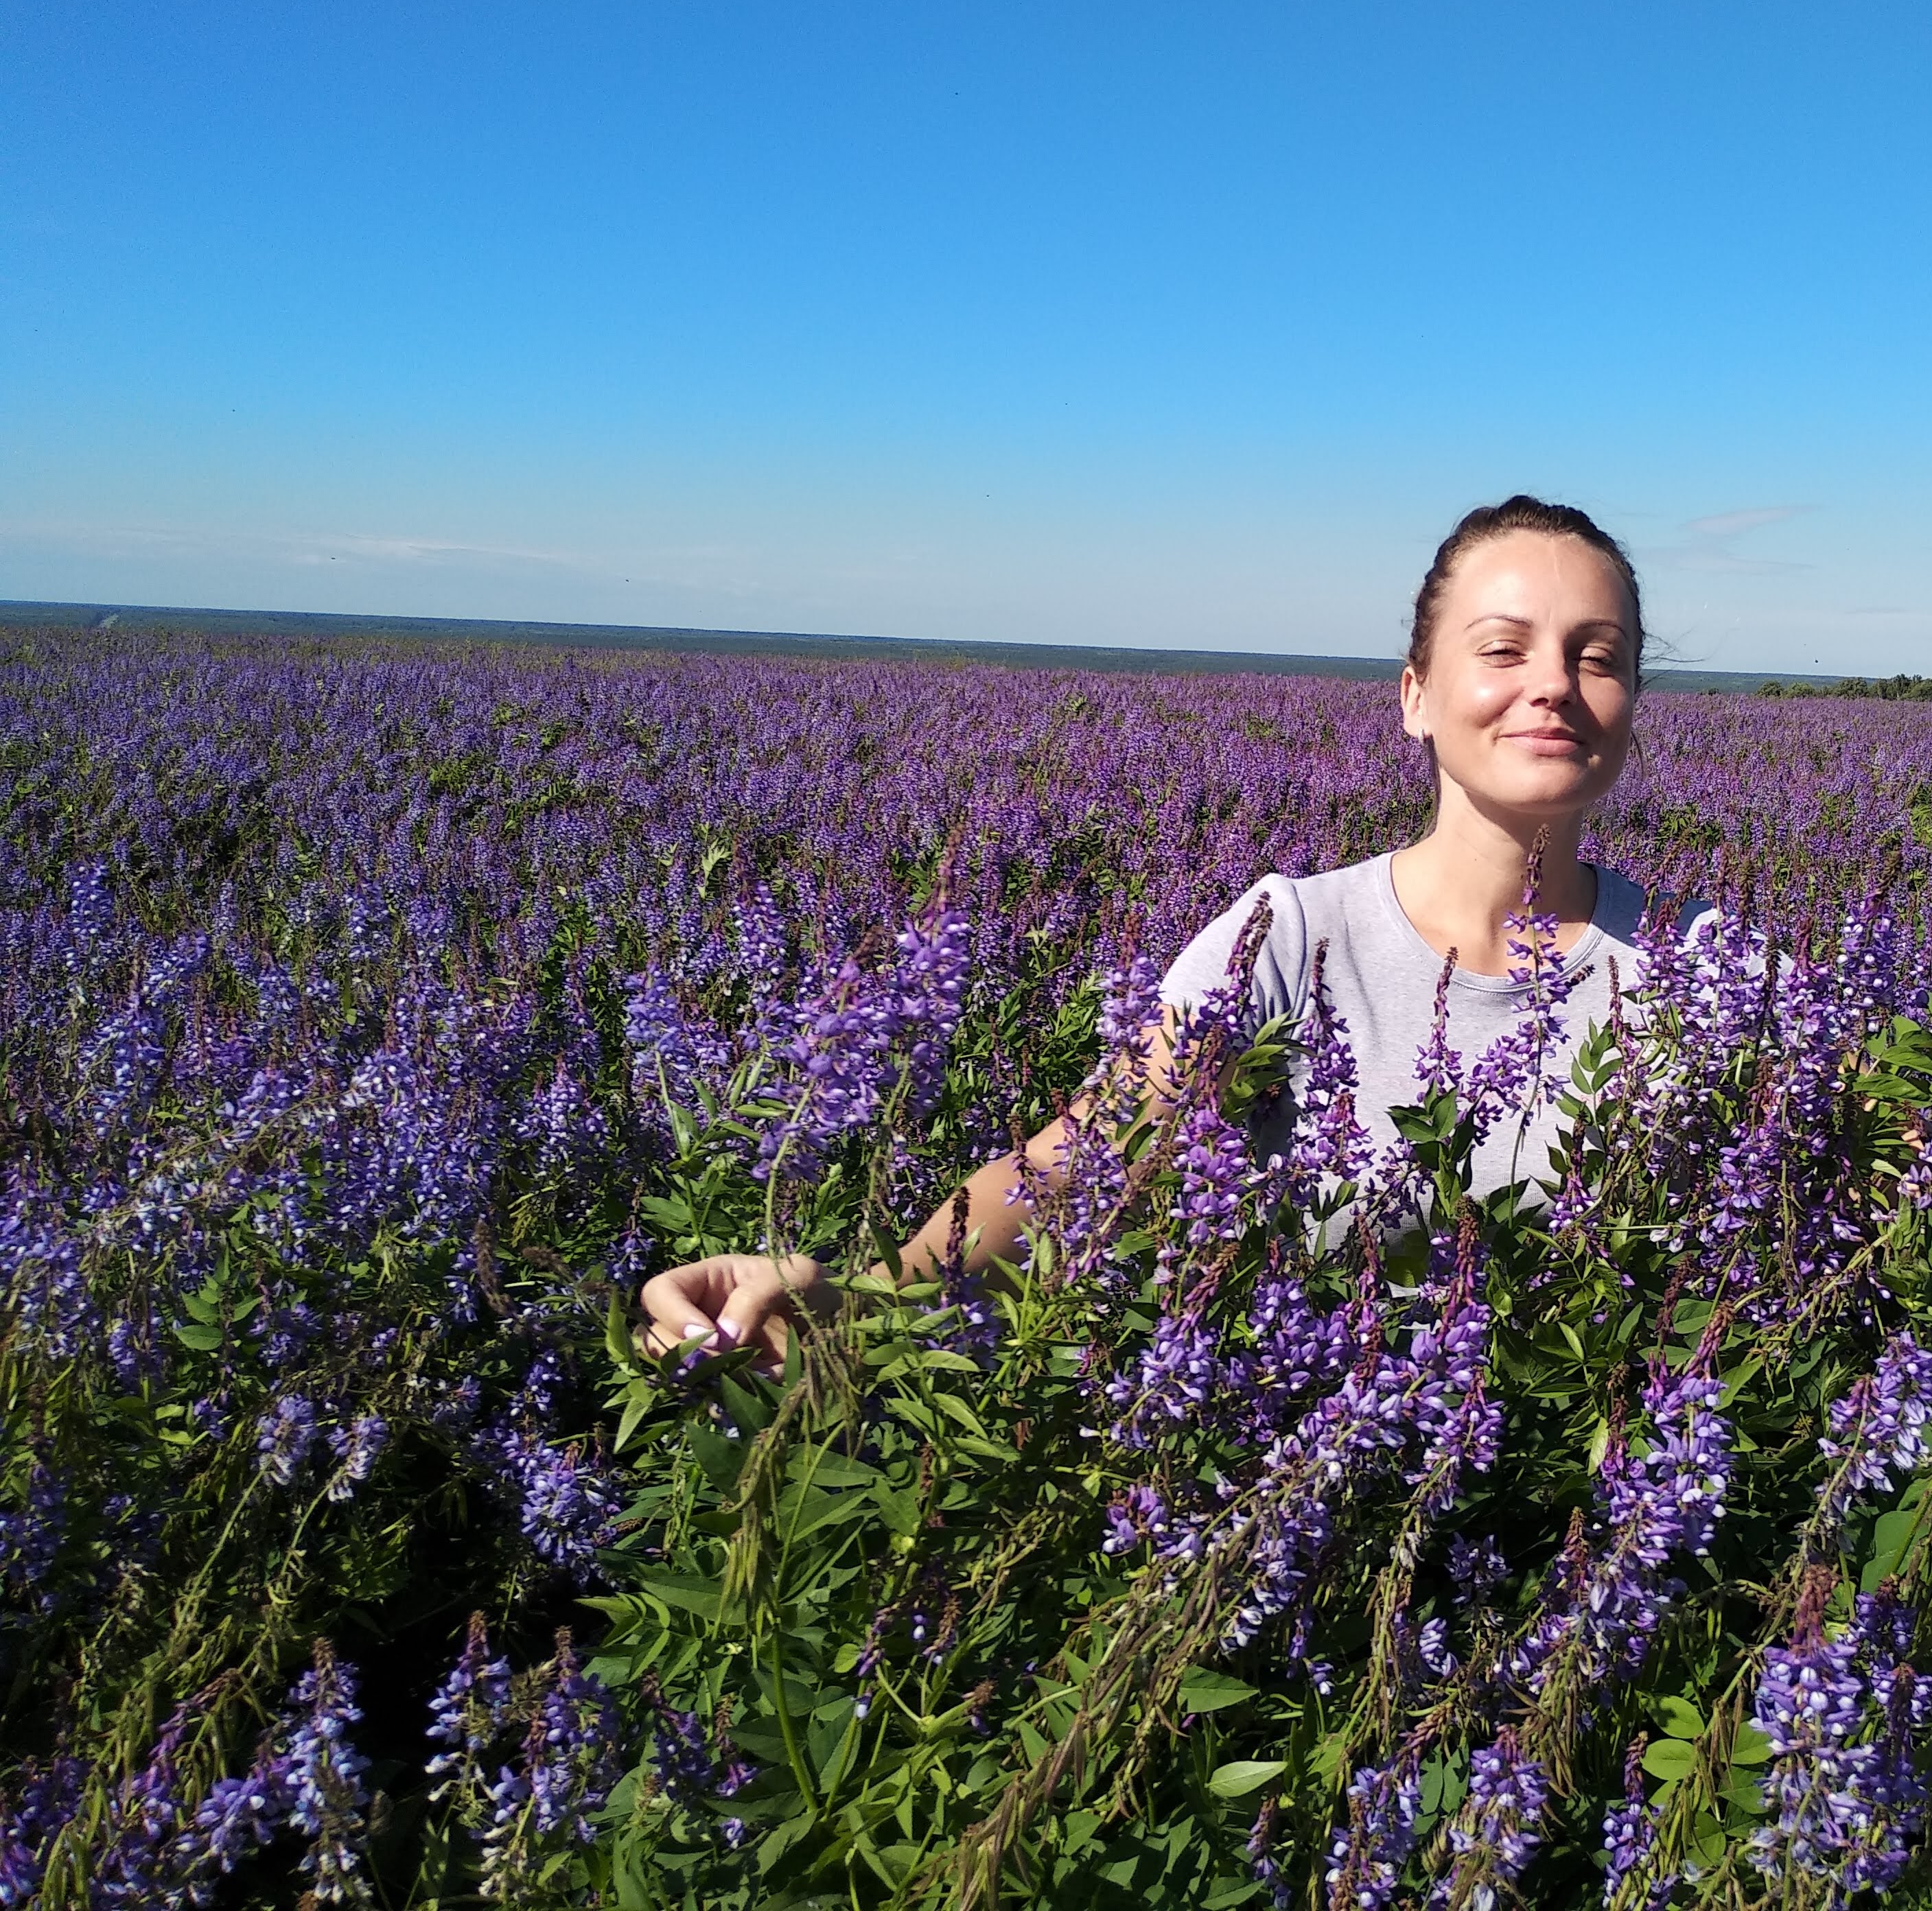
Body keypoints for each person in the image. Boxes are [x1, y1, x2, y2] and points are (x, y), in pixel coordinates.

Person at [636, 495, 1704, 1370]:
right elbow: (1070, 1165)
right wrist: (860, 1301)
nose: (1553, 686)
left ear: (1633, 699)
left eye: (1597, 656)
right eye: (1504, 649)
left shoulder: (1711, 969)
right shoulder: (1287, 939)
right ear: (1416, 696)